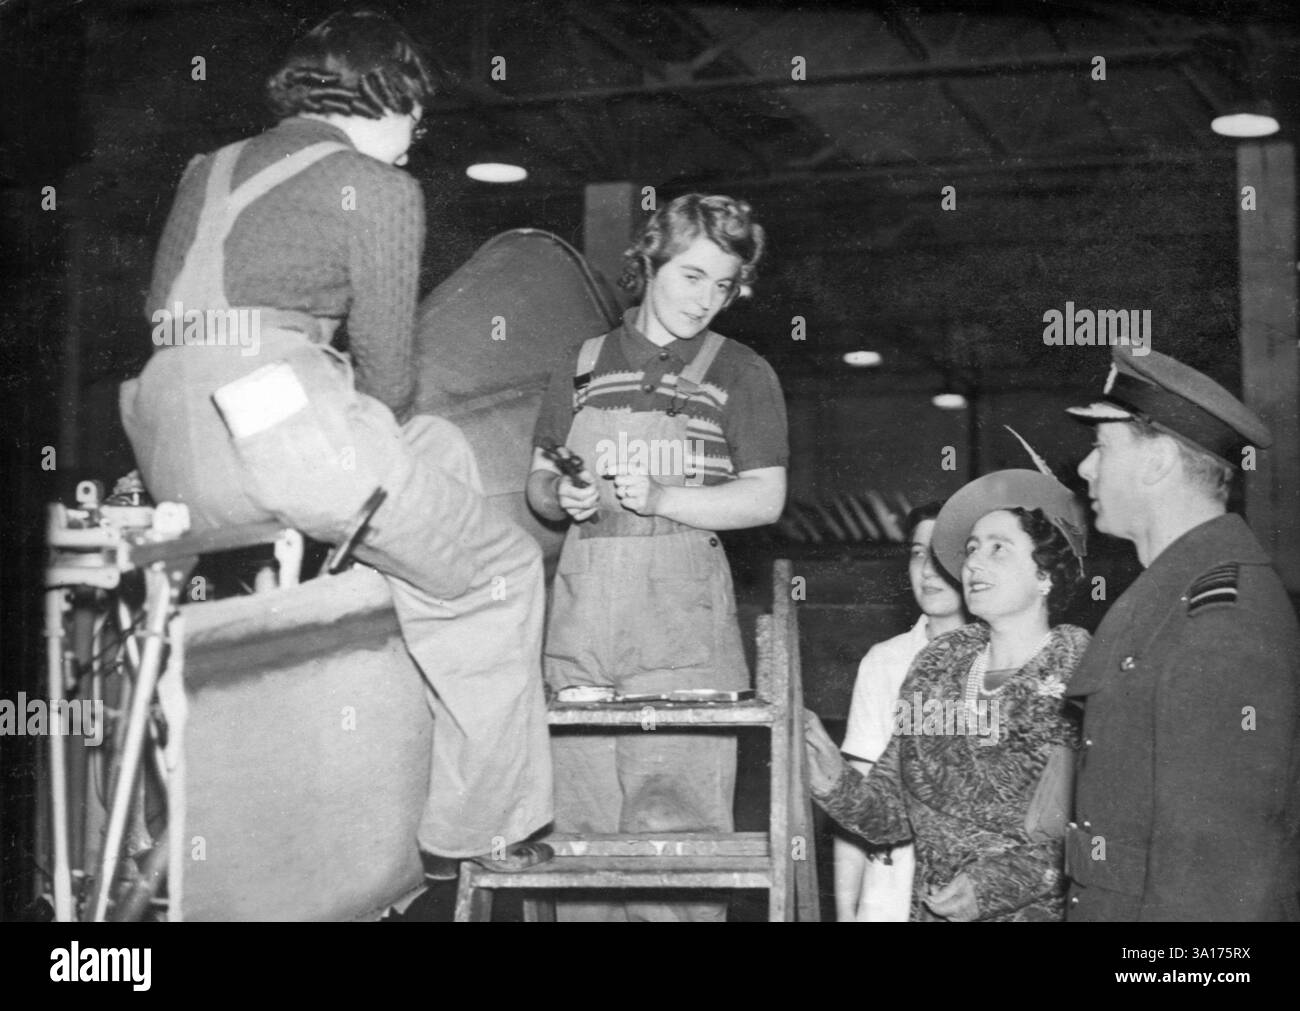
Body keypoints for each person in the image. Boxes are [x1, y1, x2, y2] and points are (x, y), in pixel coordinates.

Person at [119, 9, 553, 879]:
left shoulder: (208, 169)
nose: (413, 143)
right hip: (288, 431)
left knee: (436, 448)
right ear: (389, 96)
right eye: (416, 122)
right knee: (500, 568)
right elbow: (387, 374)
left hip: (168, 435)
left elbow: (170, 312)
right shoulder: (377, 187)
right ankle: (479, 830)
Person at [526, 194, 788, 921]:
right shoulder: (579, 365)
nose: (707, 300)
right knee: (580, 846)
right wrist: (562, 498)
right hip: (580, 639)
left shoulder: (741, 372)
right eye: (691, 276)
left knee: (673, 842)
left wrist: (667, 495)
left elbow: (764, 497)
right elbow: (538, 483)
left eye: (725, 284)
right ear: (648, 264)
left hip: (683, 643)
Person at [1064, 348, 1300, 921]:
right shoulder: (1172, 596)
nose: (1084, 469)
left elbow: (1212, 883)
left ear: (1159, 461)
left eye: (1102, 446)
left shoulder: (1221, 623)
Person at [806, 468, 1090, 921]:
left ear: (1046, 574)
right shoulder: (938, 666)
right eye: (972, 549)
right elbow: (890, 814)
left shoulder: (1078, 672)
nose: (973, 563)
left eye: (999, 548)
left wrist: (992, 885)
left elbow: (1099, 832)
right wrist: (831, 780)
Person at [834, 502, 966, 922]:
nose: (927, 569)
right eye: (916, 553)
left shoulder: (1008, 660)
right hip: (889, 894)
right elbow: (854, 800)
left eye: (943, 553)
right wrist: (845, 911)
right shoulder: (884, 662)